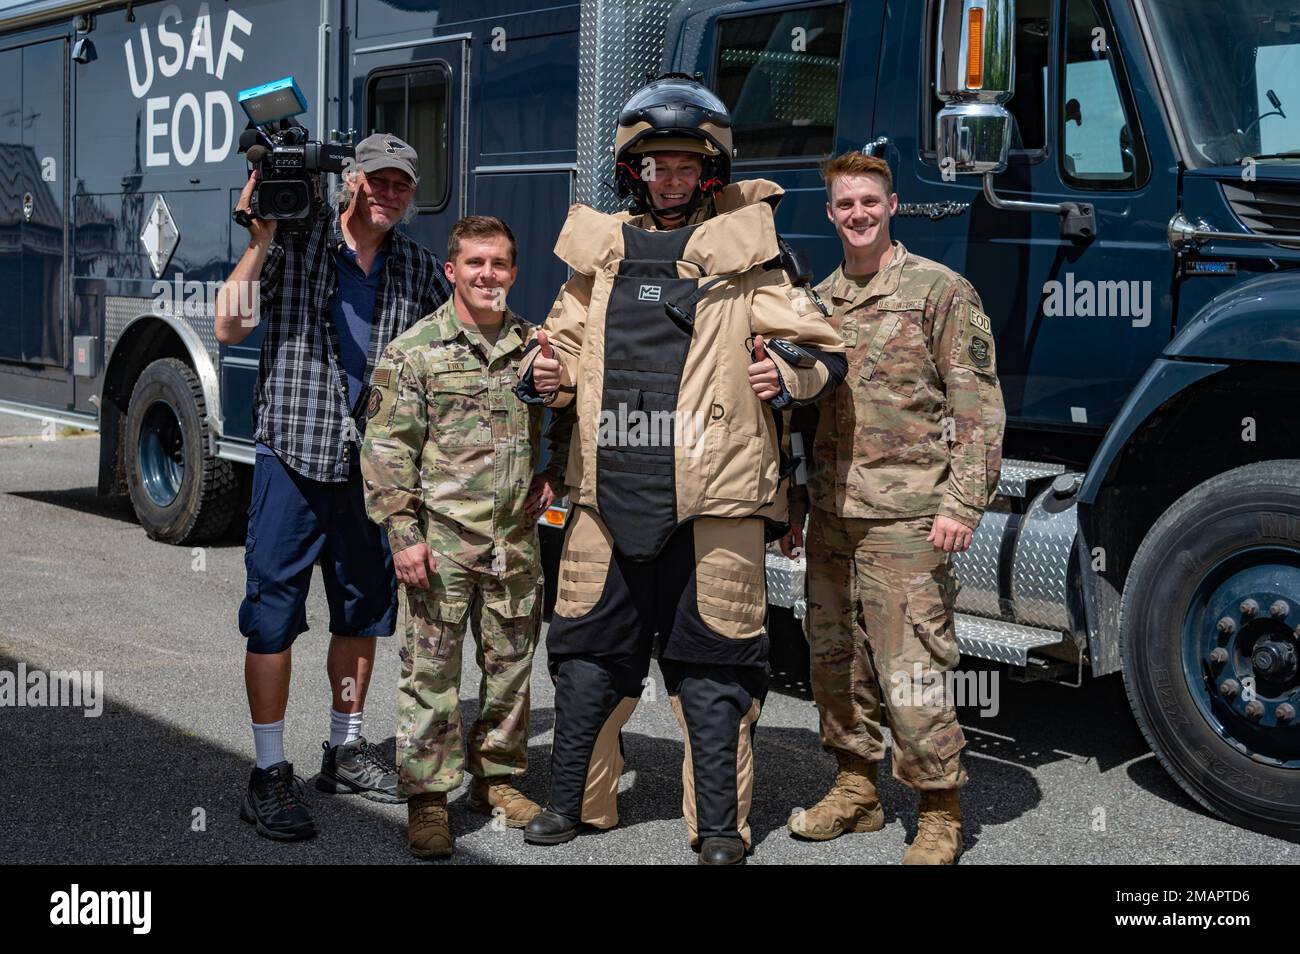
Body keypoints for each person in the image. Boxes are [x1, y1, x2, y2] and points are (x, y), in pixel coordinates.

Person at [516, 74, 846, 865]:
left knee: (714, 673)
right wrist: (544, 376)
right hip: (604, 496)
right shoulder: (596, 260)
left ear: (710, 173)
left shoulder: (750, 260)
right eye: (657, 165)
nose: (671, 178)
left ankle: (722, 830)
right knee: (588, 662)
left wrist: (789, 376)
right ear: (636, 170)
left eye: (686, 166)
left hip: (717, 501)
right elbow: (554, 347)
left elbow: (822, 350)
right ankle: (573, 804)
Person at [214, 134, 449, 841]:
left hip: (373, 470)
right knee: (272, 618)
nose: (388, 194)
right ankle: (268, 770)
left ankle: (343, 749)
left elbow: (454, 343)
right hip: (294, 452)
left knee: (361, 615)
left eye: (401, 185)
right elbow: (229, 325)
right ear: (350, 183)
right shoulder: (295, 239)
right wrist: (257, 241)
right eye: (376, 181)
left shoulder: (412, 264)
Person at [783, 151, 1005, 864]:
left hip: (909, 517)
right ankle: (857, 790)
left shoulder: (939, 292)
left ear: (892, 205)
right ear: (829, 212)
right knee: (834, 662)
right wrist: (793, 506)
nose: (857, 214)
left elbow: (978, 406)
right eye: (845, 204)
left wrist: (964, 502)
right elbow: (800, 419)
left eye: (869, 202)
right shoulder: (815, 304)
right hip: (832, 514)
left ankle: (939, 811)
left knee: (912, 666)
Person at [361, 215, 569, 858]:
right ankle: (427, 800)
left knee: (510, 671)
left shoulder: (535, 346)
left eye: (500, 264)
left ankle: (497, 782)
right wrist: (402, 535)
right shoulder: (415, 350)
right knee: (431, 677)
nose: (488, 275)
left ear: (513, 271)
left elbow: (571, 410)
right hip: (441, 545)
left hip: (513, 544)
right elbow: (387, 449)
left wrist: (554, 474)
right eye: (475, 264)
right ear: (452, 271)